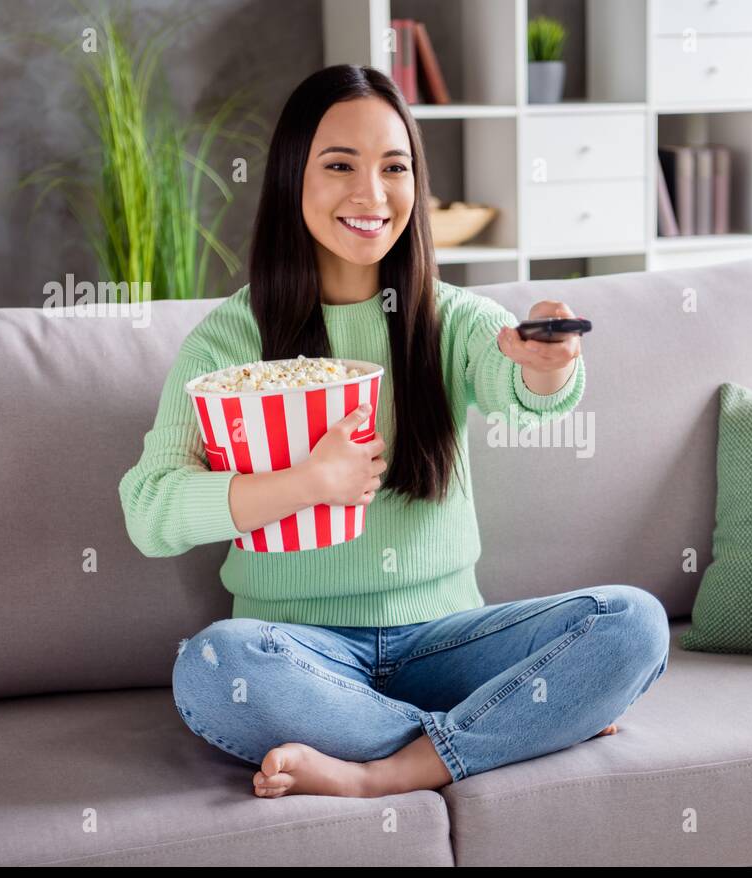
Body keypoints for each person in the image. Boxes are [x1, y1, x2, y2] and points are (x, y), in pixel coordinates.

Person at [119, 65, 670, 799]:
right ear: (291, 178)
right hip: (302, 652)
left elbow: (529, 394)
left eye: (395, 168)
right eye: (340, 165)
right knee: (214, 666)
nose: (371, 195)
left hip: (450, 640)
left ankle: (382, 773)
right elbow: (150, 510)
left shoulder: (452, 318)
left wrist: (548, 362)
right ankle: (502, 730)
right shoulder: (227, 343)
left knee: (634, 624)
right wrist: (308, 483)